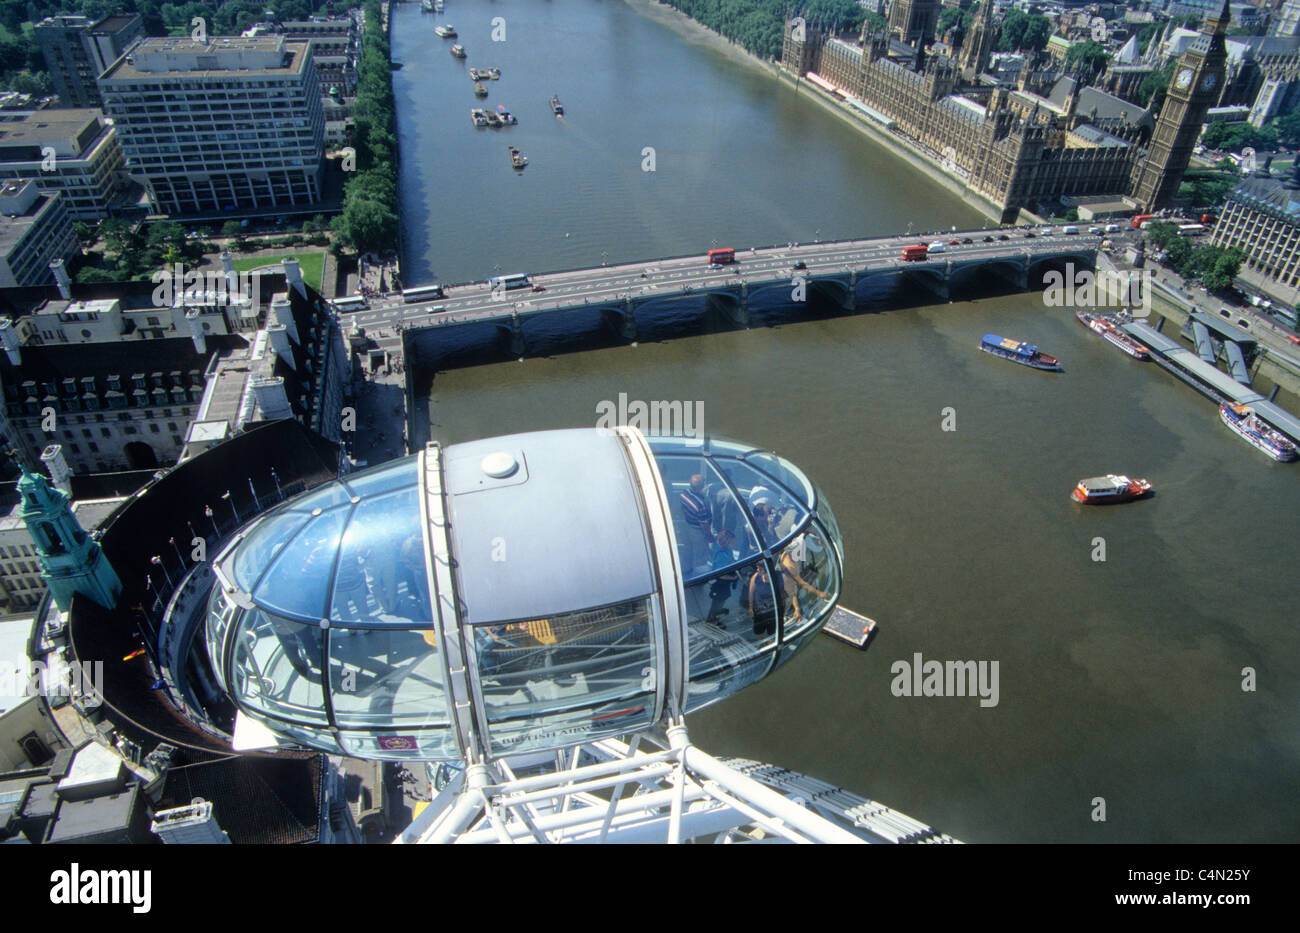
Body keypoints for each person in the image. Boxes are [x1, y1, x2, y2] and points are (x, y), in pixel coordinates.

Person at [706, 529, 740, 625]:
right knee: (718, 601)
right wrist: (733, 578)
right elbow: (720, 575)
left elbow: (731, 559)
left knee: (724, 598)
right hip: (720, 584)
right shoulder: (720, 554)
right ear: (726, 541)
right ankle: (712, 619)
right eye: (732, 542)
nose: (733, 544)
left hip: (725, 582)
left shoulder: (727, 549)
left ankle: (717, 614)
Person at [747, 563, 778, 638]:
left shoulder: (776, 577)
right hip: (759, 611)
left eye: (760, 569)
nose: (757, 570)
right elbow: (751, 593)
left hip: (772, 611)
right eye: (757, 568)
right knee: (759, 631)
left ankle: (770, 642)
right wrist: (751, 608)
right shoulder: (755, 577)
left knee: (772, 631)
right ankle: (761, 642)